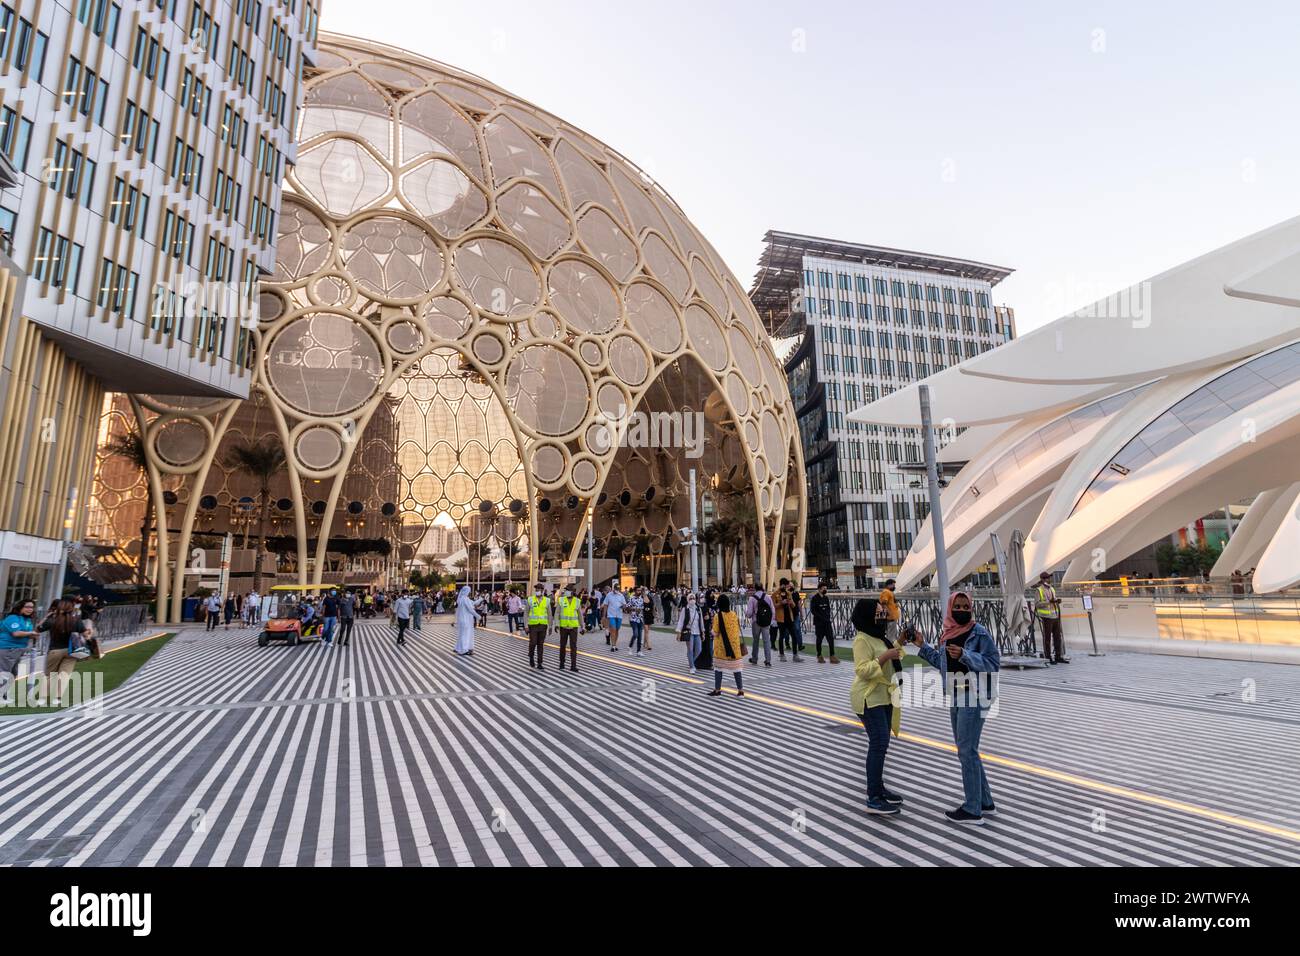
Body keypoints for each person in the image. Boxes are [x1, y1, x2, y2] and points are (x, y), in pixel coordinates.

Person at [907, 590, 1000, 825]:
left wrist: (966, 655)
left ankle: (972, 809)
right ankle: (985, 802)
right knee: (969, 750)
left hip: (975, 695)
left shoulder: (979, 632)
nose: (961, 610)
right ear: (949, 609)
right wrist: (921, 645)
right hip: (957, 695)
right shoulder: (948, 633)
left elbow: (993, 662)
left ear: (971, 607)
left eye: (964, 606)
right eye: (956, 607)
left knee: (966, 751)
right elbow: (942, 663)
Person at [850, 597, 905, 815]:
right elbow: (862, 670)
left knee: (881, 743)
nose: (882, 617)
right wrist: (883, 657)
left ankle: (878, 788)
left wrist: (899, 642)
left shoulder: (878, 636)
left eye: (883, 613)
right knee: (879, 742)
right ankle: (873, 796)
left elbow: (891, 657)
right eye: (879, 614)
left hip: (884, 696)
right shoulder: (862, 639)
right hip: (868, 697)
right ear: (867, 616)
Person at [38, 599, 90, 707]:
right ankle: (57, 699)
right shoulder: (76, 620)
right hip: (72, 651)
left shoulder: (52, 620)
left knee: (49, 675)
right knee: (64, 675)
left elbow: (38, 629)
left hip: (54, 650)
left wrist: (47, 616)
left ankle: (42, 699)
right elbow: (86, 635)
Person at [0, 599, 38, 704]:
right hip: (7, 648)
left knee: (13, 673)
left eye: (31, 607)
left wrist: (31, 634)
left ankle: (4, 694)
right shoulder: (13, 618)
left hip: (17, 650)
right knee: (4, 673)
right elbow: (16, 633)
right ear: (20, 607)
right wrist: (31, 633)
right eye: (27, 607)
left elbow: (26, 632)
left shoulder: (26, 620)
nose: (30, 609)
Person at [707, 594, 745, 697]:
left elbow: (715, 632)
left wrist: (711, 631)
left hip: (722, 649)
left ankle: (717, 690)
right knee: (736, 669)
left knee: (718, 669)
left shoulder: (717, 616)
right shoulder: (734, 614)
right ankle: (740, 690)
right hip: (735, 649)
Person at [1034, 571, 1067, 664]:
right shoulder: (1039, 590)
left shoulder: (1052, 589)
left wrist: (1057, 601)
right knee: (1047, 638)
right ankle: (1048, 657)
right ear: (1043, 579)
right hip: (1046, 617)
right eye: (1048, 578)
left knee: (1057, 637)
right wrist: (1049, 602)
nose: (1050, 579)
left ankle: (1058, 656)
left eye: (1049, 578)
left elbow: (1053, 600)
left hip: (1055, 615)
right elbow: (1037, 604)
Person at [676, 593, 705, 675]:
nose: (692, 600)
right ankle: (692, 667)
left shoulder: (698, 609)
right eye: (690, 598)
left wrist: (703, 632)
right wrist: (679, 632)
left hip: (697, 632)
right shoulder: (685, 609)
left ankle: (691, 660)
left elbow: (701, 621)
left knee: (699, 649)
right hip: (689, 632)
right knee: (690, 649)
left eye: (693, 598)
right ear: (688, 600)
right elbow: (681, 621)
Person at [747, 584, 775, 667]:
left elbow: (749, 613)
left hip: (756, 622)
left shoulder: (752, 598)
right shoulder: (768, 597)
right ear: (763, 588)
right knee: (766, 641)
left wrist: (748, 615)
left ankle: (754, 659)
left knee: (755, 641)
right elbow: (772, 610)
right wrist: (771, 621)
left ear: (755, 589)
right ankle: (768, 660)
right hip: (766, 622)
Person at [810, 584, 839, 663]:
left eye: (826, 588)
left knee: (831, 639)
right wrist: (821, 617)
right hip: (819, 623)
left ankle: (832, 655)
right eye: (823, 589)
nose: (825, 590)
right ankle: (819, 655)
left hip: (827, 622)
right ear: (819, 589)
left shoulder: (826, 598)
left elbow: (828, 608)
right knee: (819, 639)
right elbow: (813, 610)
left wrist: (827, 616)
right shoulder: (814, 598)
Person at [526, 583, 551, 668]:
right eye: (536, 590)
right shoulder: (530, 599)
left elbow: (549, 614)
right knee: (533, 643)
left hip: (543, 626)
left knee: (540, 644)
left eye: (539, 590)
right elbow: (526, 613)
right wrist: (526, 626)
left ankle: (540, 663)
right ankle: (531, 657)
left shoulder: (547, 600)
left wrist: (550, 626)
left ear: (542, 591)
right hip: (533, 625)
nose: (537, 591)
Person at [556, 584, 581, 671]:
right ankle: (562, 663)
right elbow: (557, 613)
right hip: (563, 627)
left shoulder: (577, 601)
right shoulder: (561, 600)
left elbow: (580, 615)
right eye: (565, 590)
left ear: (572, 592)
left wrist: (582, 626)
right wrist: (556, 624)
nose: (566, 591)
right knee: (562, 646)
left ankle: (573, 666)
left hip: (573, 627)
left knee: (573, 646)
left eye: (568, 590)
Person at [602, 584, 627, 652]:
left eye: (618, 589)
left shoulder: (621, 595)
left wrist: (624, 607)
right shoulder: (609, 595)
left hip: (619, 615)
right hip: (611, 615)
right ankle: (613, 646)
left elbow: (624, 604)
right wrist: (604, 615)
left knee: (617, 630)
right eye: (616, 589)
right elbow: (605, 605)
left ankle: (615, 644)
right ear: (613, 588)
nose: (617, 591)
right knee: (613, 629)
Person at [454, 585, 476, 656]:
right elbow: (470, 609)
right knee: (465, 635)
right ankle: (464, 649)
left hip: (462, 619)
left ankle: (459, 648)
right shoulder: (465, 599)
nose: (469, 592)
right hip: (466, 619)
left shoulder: (460, 599)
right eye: (469, 591)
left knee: (462, 634)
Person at [879, 579, 901, 645]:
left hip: (892, 617)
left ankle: (890, 646)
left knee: (892, 633)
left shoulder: (889, 592)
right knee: (890, 635)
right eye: (893, 585)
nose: (894, 587)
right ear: (889, 585)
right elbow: (883, 603)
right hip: (890, 617)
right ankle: (890, 647)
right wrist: (889, 613)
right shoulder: (886, 592)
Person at [625, 587, 645, 656]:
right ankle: (630, 647)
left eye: (640, 590)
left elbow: (643, 608)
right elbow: (626, 608)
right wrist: (634, 609)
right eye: (638, 590)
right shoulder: (631, 598)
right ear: (635, 591)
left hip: (640, 619)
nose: (639, 591)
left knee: (640, 636)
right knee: (635, 634)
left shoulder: (642, 599)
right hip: (633, 619)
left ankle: (638, 651)